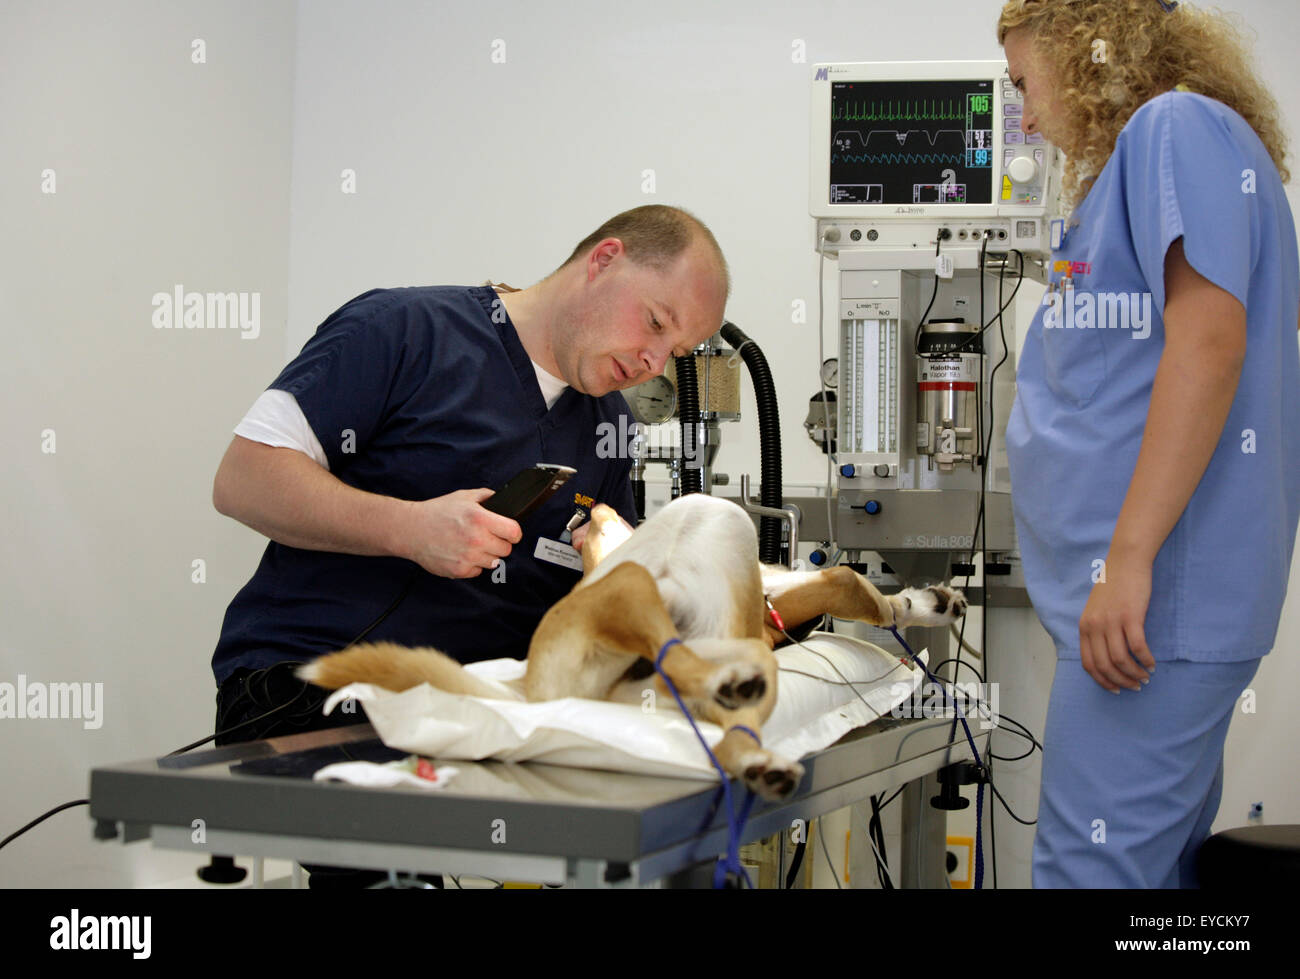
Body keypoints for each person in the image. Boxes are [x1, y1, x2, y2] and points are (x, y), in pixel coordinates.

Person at [209, 204, 729, 751]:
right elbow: (243, 478)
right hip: (319, 695)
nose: (652, 361)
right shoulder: (406, 331)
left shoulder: (608, 425)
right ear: (603, 261)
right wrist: (409, 528)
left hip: (486, 720)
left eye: (675, 352)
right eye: (654, 322)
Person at [998, 0, 1299, 887]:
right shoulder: (1179, 146)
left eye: (1024, 84)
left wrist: (1124, 562)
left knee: (1090, 876)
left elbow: (1209, 344)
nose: (1027, 115)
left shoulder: (1174, 126)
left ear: (1078, 47)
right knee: (1146, 884)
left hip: (1154, 601)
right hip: (1161, 604)